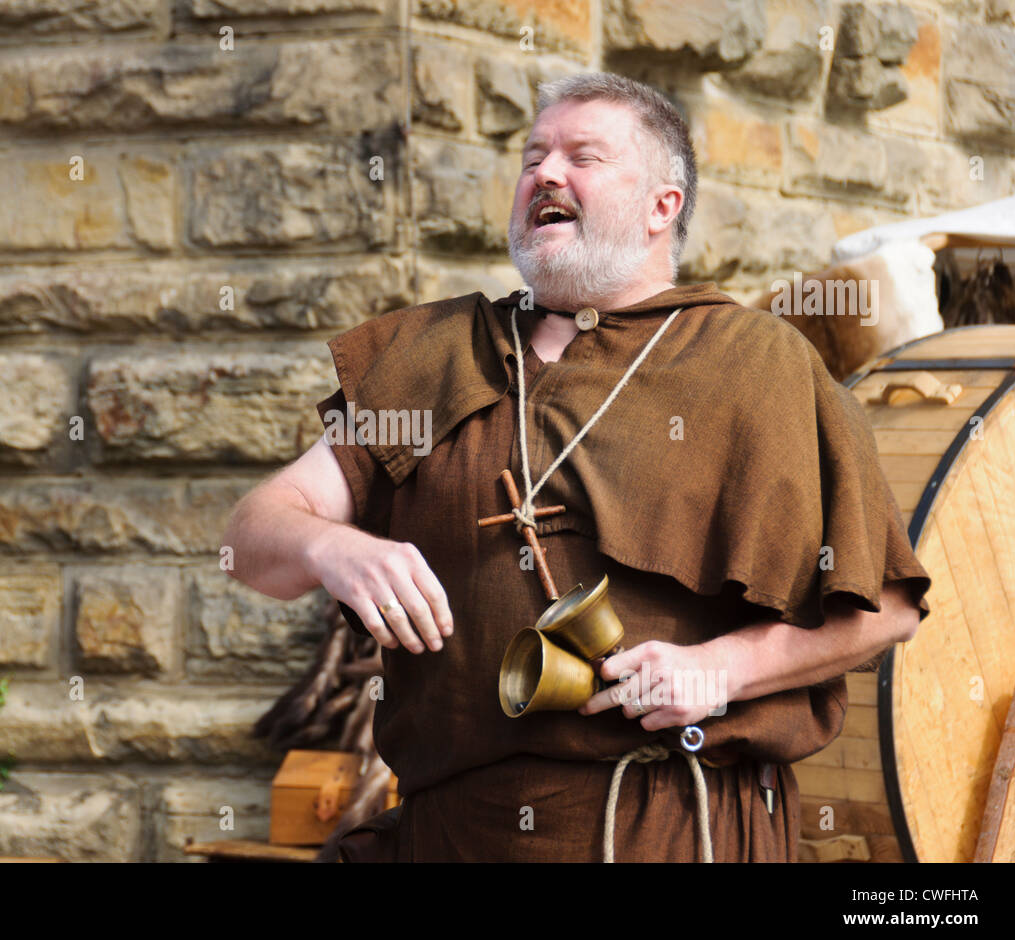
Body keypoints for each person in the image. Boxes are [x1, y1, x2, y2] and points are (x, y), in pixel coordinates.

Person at [221, 72, 931, 862]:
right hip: (451, 838)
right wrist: (332, 546)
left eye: (582, 156)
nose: (546, 174)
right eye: (533, 157)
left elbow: (887, 608)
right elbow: (253, 537)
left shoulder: (755, 364)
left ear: (664, 205)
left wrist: (724, 666)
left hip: (667, 831)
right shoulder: (434, 355)